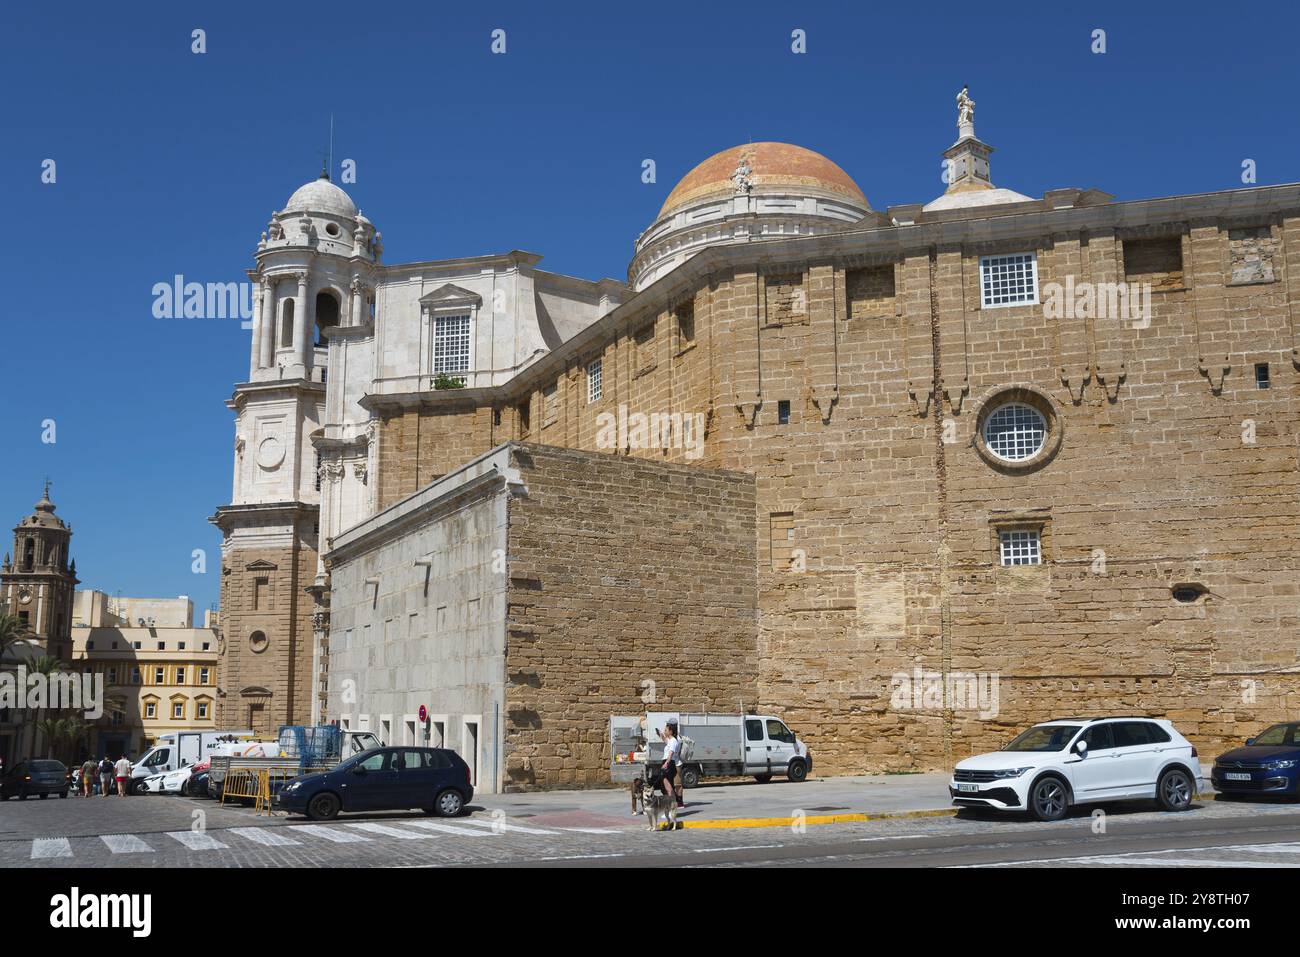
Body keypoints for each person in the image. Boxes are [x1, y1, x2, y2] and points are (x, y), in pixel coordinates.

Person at [661, 723, 680, 807]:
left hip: (669, 763)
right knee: (668, 787)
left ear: (671, 731)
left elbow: (671, 753)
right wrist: (660, 735)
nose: (664, 731)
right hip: (667, 762)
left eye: (666, 730)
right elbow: (665, 740)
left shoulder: (673, 741)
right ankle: (672, 807)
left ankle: (670, 808)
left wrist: (666, 763)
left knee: (668, 788)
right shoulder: (670, 740)